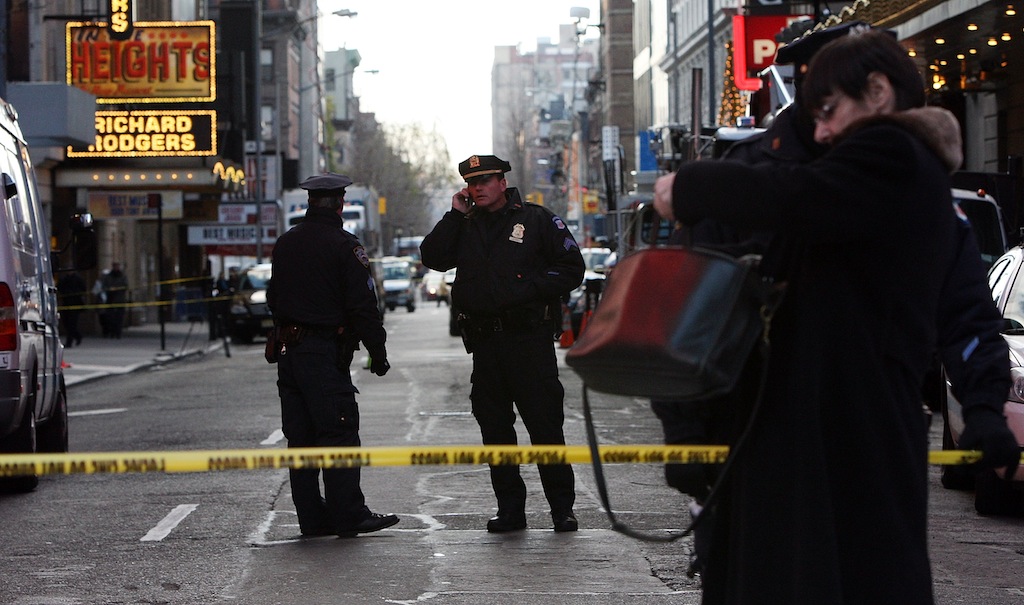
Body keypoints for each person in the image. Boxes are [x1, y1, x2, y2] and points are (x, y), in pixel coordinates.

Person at [652, 29, 1020, 604]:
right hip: (762, 440)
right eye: (811, 103)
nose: (821, 125)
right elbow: (689, 309)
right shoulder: (762, 173)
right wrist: (684, 427)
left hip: (858, 441)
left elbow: (967, 315)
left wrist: (984, 403)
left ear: (876, 92)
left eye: (829, 106)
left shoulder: (888, 169)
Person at [420, 155, 585, 532]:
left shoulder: (537, 219)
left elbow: (572, 268)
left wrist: (527, 289)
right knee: (495, 430)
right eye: (471, 183)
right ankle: (510, 510)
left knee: (545, 427)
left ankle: (562, 508)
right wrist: (453, 215)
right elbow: (432, 257)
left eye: (485, 181)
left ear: (501, 181)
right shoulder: (466, 223)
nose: (477, 188)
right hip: (486, 345)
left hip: (529, 341)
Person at [266, 172, 398, 538]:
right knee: (338, 434)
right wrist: (378, 351)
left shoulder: (286, 242)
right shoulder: (344, 246)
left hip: (290, 354)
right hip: (323, 354)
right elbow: (362, 305)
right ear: (340, 204)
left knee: (301, 440)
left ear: (310, 203)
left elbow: (274, 298)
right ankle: (349, 515)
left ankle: (312, 518)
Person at [58, 270, 87, 347]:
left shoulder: (78, 279)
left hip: (75, 304)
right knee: (66, 323)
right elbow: (59, 287)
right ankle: (77, 336)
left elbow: (83, 289)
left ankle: (69, 342)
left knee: (72, 324)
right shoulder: (64, 278)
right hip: (66, 303)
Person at [100, 262, 129, 338]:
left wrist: (118, 289)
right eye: (115, 266)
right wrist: (109, 289)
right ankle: (112, 332)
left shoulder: (123, 276)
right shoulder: (108, 277)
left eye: (117, 266)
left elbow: (126, 286)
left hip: (120, 299)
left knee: (119, 318)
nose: (116, 267)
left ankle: (118, 333)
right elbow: (104, 286)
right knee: (110, 318)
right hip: (110, 299)